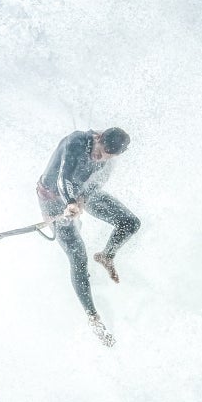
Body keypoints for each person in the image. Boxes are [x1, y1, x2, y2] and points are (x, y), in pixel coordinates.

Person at [37, 127, 140, 346]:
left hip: (79, 196)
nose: (99, 157)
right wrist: (71, 202)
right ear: (98, 138)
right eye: (99, 151)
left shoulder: (110, 157)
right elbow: (63, 176)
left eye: (105, 157)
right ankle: (93, 317)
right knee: (78, 258)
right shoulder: (77, 141)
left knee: (131, 223)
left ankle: (106, 255)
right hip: (54, 199)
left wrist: (82, 197)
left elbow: (96, 182)